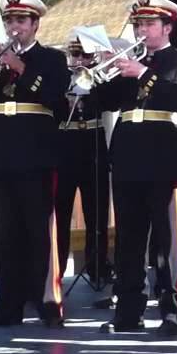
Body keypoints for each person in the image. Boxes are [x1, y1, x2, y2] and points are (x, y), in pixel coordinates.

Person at [0, 0, 70, 329]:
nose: (14, 27)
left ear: (35, 24)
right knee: (4, 233)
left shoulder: (52, 59)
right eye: (9, 20)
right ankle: (7, 306)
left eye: (21, 21)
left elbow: (54, 98)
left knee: (39, 231)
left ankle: (47, 301)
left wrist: (21, 68)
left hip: (35, 151)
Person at [100, 0, 177, 336]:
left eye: (149, 23)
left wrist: (142, 73)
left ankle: (173, 313)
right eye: (138, 23)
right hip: (128, 154)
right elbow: (103, 102)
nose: (141, 30)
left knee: (169, 240)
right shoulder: (129, 61)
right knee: (128, 240)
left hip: (163, 154)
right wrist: (105, 70)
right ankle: (128, 313)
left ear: (167, 27)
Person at [55, 38, 110, 285]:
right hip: (65, 146)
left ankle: (97, 267)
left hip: (92, 145)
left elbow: (109, 103)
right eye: (75, 55)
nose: (79, 60)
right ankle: (56, 269)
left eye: (85, 56)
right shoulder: (60, 78)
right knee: (60, 212)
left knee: (96, 212)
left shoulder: (98, 78)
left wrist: (97, 79)